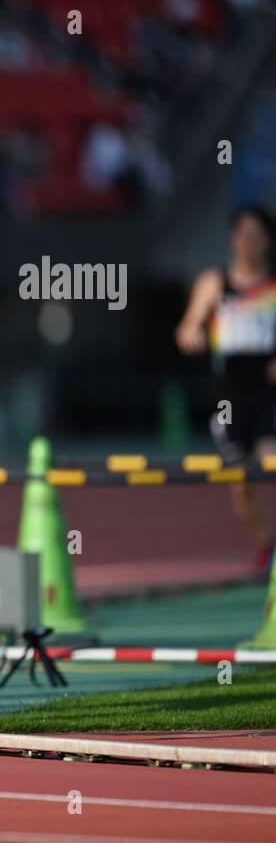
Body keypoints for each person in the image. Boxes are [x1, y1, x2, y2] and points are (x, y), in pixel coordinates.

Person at [176, 205, 276, 570]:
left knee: (271, 460)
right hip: (230, 400)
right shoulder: (214, 283)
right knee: (241, 485)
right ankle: (266, 541)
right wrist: (192, 334)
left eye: (256, 235)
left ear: (268, 240)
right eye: (243, 235)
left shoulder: (273, 285)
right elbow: (187, 326)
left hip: (269, 395)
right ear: (234, 239)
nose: (249, 242)